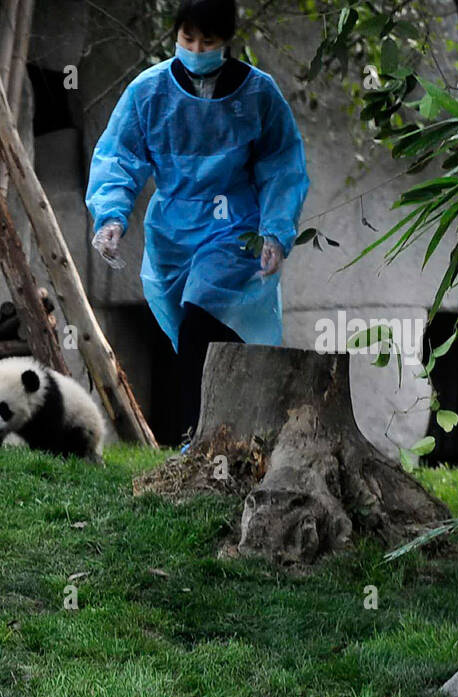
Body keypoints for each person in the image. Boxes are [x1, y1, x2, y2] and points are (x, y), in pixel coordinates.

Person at [86, 0, 309, 440]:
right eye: (187, 38)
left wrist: (275, 231)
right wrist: (111, 216)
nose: (195, 49)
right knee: (195, 333)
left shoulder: (258, 93)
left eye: (208, 41)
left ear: (226, 41)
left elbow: (282, 166)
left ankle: (197, 433)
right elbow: (119, 157)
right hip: (172, 231)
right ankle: (223, 433)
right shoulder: (148, 91)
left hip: (234, 226)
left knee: (200, 314)